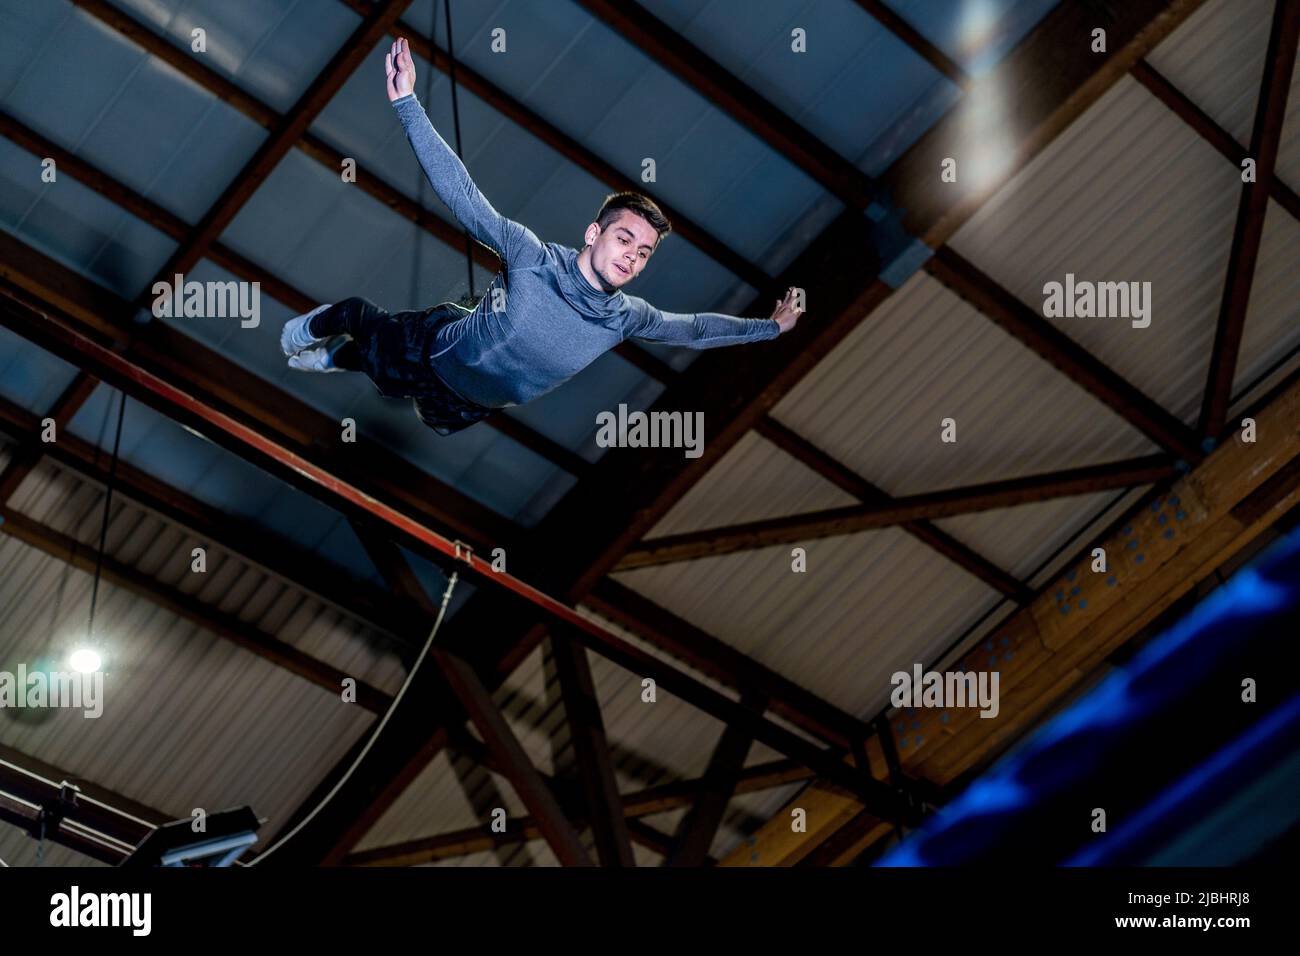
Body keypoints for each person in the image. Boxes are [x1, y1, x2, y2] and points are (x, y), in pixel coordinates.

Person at [280, 37, 805, 435]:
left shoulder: (626, 317)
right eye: (625, 240)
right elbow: (463, 196)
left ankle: (332, 359)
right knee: (361, 323)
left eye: (643, 253)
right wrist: (408, 105)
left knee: (386, 383)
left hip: (463, 404)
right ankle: (308, 335)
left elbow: (694, 329)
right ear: (593, 233)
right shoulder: (530, 257)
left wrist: (770, 329)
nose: (633, 258)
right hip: (431, 349)